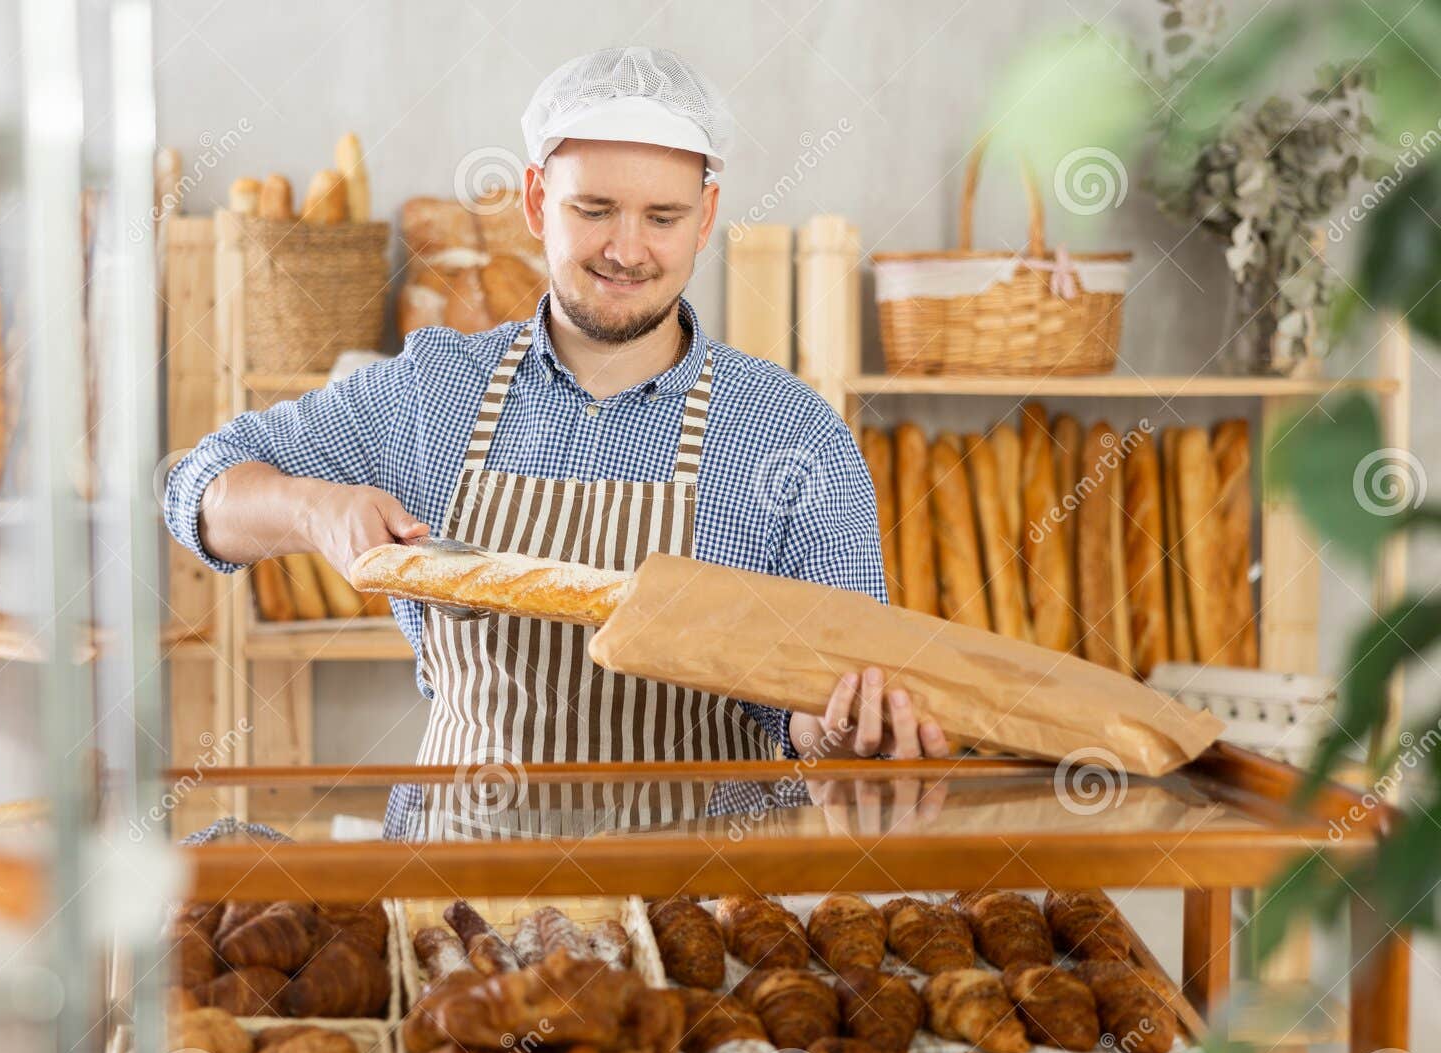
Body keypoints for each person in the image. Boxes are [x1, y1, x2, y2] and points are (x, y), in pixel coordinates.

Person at [163, 46, 948, 836]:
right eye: (594, 209)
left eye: (663, 217)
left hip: (701, 915)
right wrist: (315, 510)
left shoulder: (791, 432)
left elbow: (829, 701)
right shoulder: (433, 389)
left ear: (706, 217)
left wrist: (837, 732)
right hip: (459, 906)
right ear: (537, 201)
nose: (627, 249)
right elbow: (197, 490)